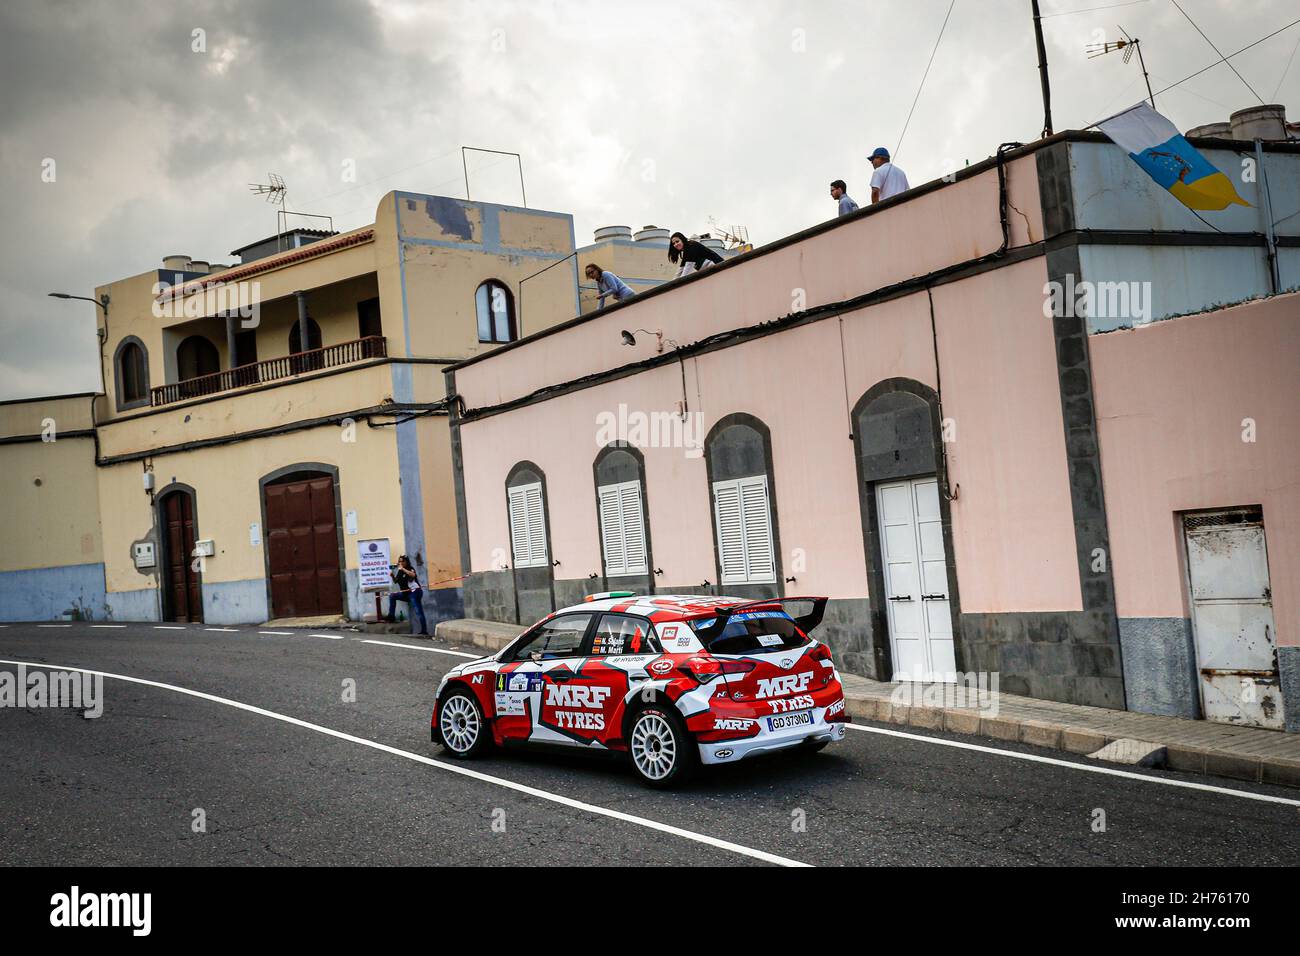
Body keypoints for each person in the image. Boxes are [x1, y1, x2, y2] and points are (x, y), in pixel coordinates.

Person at [384, 554, 429, 636]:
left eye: (403, 561)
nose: (401, 563)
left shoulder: (410, 569)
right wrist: (392, 576)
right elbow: (396, 581)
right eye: (399, 561)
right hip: (405, 593)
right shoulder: (400, 571)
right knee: (392, 596)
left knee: (418, 611)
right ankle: (391, 617)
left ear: (406, 562)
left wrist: (403, 569)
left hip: (414, 592)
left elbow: (413, 575)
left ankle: (424, 631)